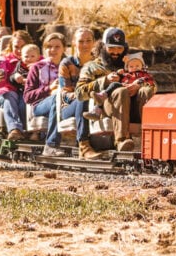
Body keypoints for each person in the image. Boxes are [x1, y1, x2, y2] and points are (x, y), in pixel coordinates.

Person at [75, 28, 156, 152]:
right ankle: (121, 140)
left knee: (146, 90)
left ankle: (151, 136)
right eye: (111, 48)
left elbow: (154, 85)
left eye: (119, 48)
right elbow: (80, 93)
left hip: (133, 107)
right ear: (103, 47)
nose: (116, 52)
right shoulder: (92, 67)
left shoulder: (132, 65)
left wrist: (138, 85)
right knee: (120, 91)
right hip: (106, 107)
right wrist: (105, 80)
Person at [58, 27, 104, 159]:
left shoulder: (100, 62)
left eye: (88, 40)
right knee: (82, 97)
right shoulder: (66, 63)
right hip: (69, 107)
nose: (85, 44)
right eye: (81, 41)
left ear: (94, 42)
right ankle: (83, 145)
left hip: (95, 103)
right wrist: (85, 93)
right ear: (74, 43)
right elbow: (66, 93)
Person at [0, 30, 35, 142]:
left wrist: (35, 70)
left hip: (24, 95)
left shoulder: (36, 59)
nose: (19, 50)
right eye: (16, 47)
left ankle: (29, 130)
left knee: (24, 101)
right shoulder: (4, 61)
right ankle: (15, 129)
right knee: (10, 96)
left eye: (22, 47)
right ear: (11, 46)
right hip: (5, 96)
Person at [84, 52, 156, 121]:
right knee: (114, 85)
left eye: (137, 66)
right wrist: (118, 73)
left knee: (134, 91)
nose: (134, 68)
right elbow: (117, 78)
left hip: (134, 95)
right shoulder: (126, 74)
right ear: (127, 67)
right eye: (131, 66)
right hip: (123, 90)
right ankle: (99, 105)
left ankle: (100, 101)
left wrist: (139, 82)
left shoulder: (143, 74)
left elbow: (149, 80)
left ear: (142, 66)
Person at [24, 32, 66, 153]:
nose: (53, 50)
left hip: (66, 100)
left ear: (63, 48)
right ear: (44, 49)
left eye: (57, 46)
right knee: (56, 99)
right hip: (40, 105)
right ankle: (51, 145)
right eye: (49, 46)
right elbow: (27, 97)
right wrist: (48, 88)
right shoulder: (37, 67)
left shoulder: (70, 66)